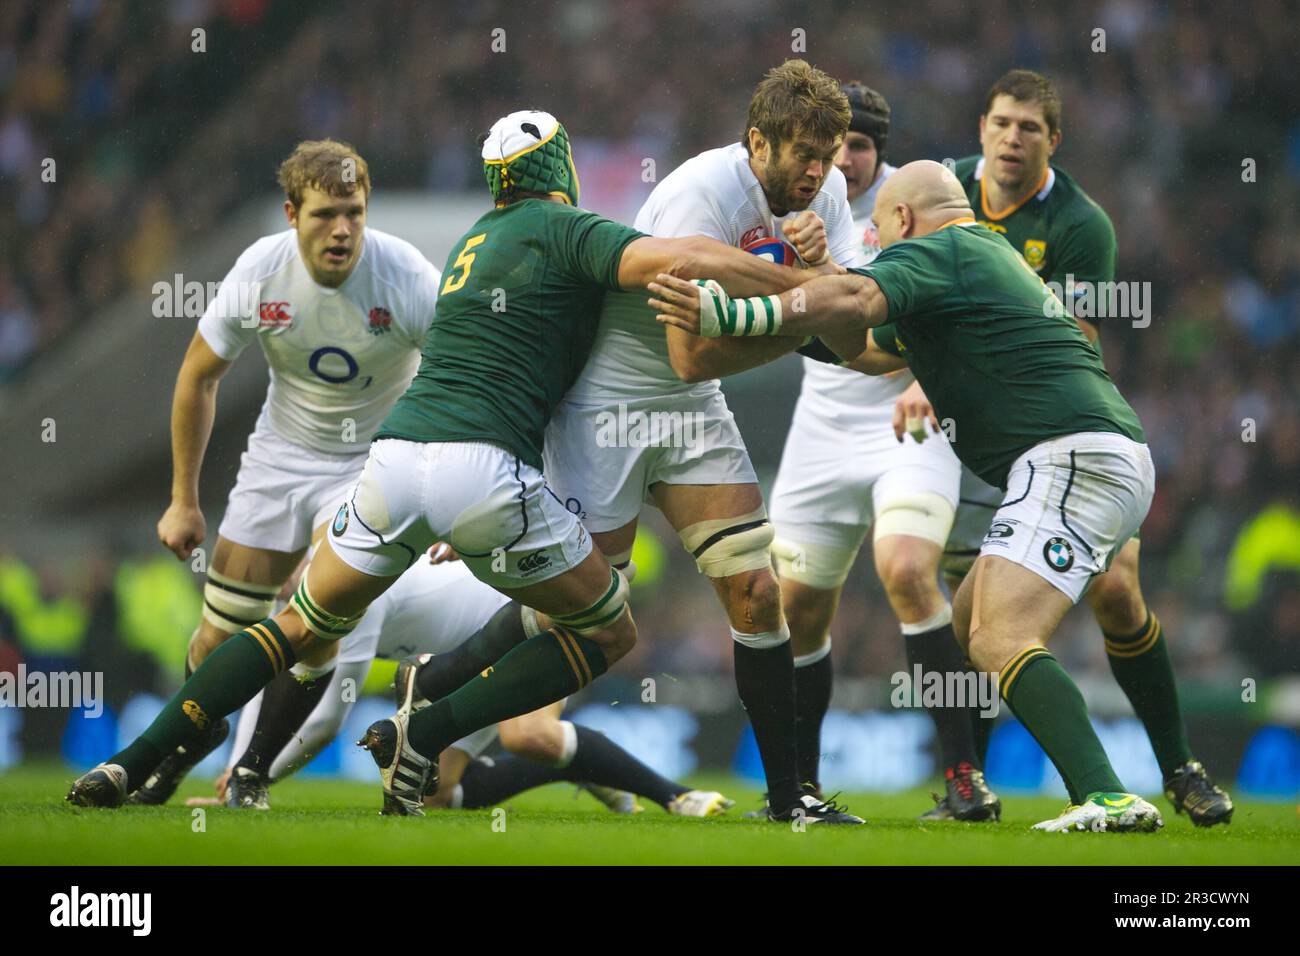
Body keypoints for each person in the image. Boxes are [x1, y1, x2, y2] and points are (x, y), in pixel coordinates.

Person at [67, 109, 823, 820]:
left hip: (392, 461)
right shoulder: (566, 227)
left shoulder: (470, 242)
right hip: (483, 470)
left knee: (296, 627)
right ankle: (427, 731)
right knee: (607, 631)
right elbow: (686, 256)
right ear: (560, 167)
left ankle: (131, 763)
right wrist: (803, 285)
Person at [649, 160, 1168, 832]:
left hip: (1073, 459)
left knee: (999, 634)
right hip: (1091, 457)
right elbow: (863, 346)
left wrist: (734, 310)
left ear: (899, 220)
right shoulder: (976, 257)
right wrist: (798, 306)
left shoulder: (942, 248)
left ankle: (1105, 795)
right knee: (968, 623)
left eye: (879, 240)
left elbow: (857, 303)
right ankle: (981, 781)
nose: (878, 253)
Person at [542, 59, 865, 823]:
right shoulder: (700, 193)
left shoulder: (832, 195)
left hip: (691, 409)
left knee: (757, 592)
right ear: (758, 143)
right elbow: (691, 349)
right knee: (586, 614)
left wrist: (820, 272)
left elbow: (854, 328)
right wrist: (806, 308)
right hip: (611, 403)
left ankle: (788, 802)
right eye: (801, 156)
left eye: (827, 157)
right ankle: (444, 695)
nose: (817, 174)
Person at [910, 69, 1229, 825]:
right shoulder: (946, 194)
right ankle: (970, 784)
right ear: (980, 127)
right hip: (980, 437)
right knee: (970, 605)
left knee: (1115, 591)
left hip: (1058, 430)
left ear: (1055, 140)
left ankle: (1177, 766)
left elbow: (1069, 344)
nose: (1011, 138)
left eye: (1029, 127)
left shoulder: (1080, 225)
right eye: (1000, 123)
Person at [133, 139, 442, 805]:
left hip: (370, 463)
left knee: (317, 621)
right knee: (218, 636)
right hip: (278, 455)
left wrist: (445, 494)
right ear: (290, 214)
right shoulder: (259, 271)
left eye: (355, 213)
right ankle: (189, 745)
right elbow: (198, 378)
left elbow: (457, 380)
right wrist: (183, 500)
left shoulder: (408, 277)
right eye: (326, 214)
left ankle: (252, 772)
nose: (342, 230)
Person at [766, 81, 988, 818]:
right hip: (821, 426)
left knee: (906, 569)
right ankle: (799, 788)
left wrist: (929, 375)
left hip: (910, 421)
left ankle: (962, 778)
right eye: (832, 149)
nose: (842, 161)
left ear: (880, 153)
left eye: (857, 147)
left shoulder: (915, 205)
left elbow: (963, 296)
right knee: (794, 609)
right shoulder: (792, 199)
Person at [216, 548, 730, 817]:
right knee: (441, 796)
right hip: (455, 659)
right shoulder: (316, 589)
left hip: (525, 621)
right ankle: (568, 770)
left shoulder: (345, 595)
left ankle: (676, 795)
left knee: (529, 737)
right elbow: (281, 685)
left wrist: (252, 779)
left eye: (282, 576)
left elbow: (325, 719)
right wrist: (243, 768)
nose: (280, 589)